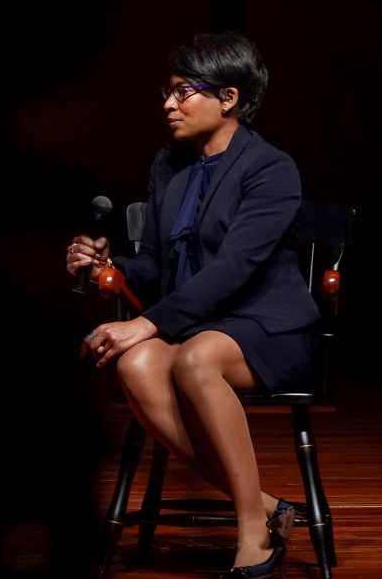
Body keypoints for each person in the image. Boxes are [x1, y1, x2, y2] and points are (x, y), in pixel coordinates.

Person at [65, 32, 317, 579]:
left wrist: (148, 323)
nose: (168, 104)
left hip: (266, 329)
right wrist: (110, 267)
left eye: (183, 92)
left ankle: (251, 527)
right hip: (196, 327)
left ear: (228, 98)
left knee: (195, 358)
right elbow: (156, 263)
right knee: (136, 363)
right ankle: (267, 504)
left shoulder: (271, 169)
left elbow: (233, 269)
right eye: (166, 92)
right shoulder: (170, 165)